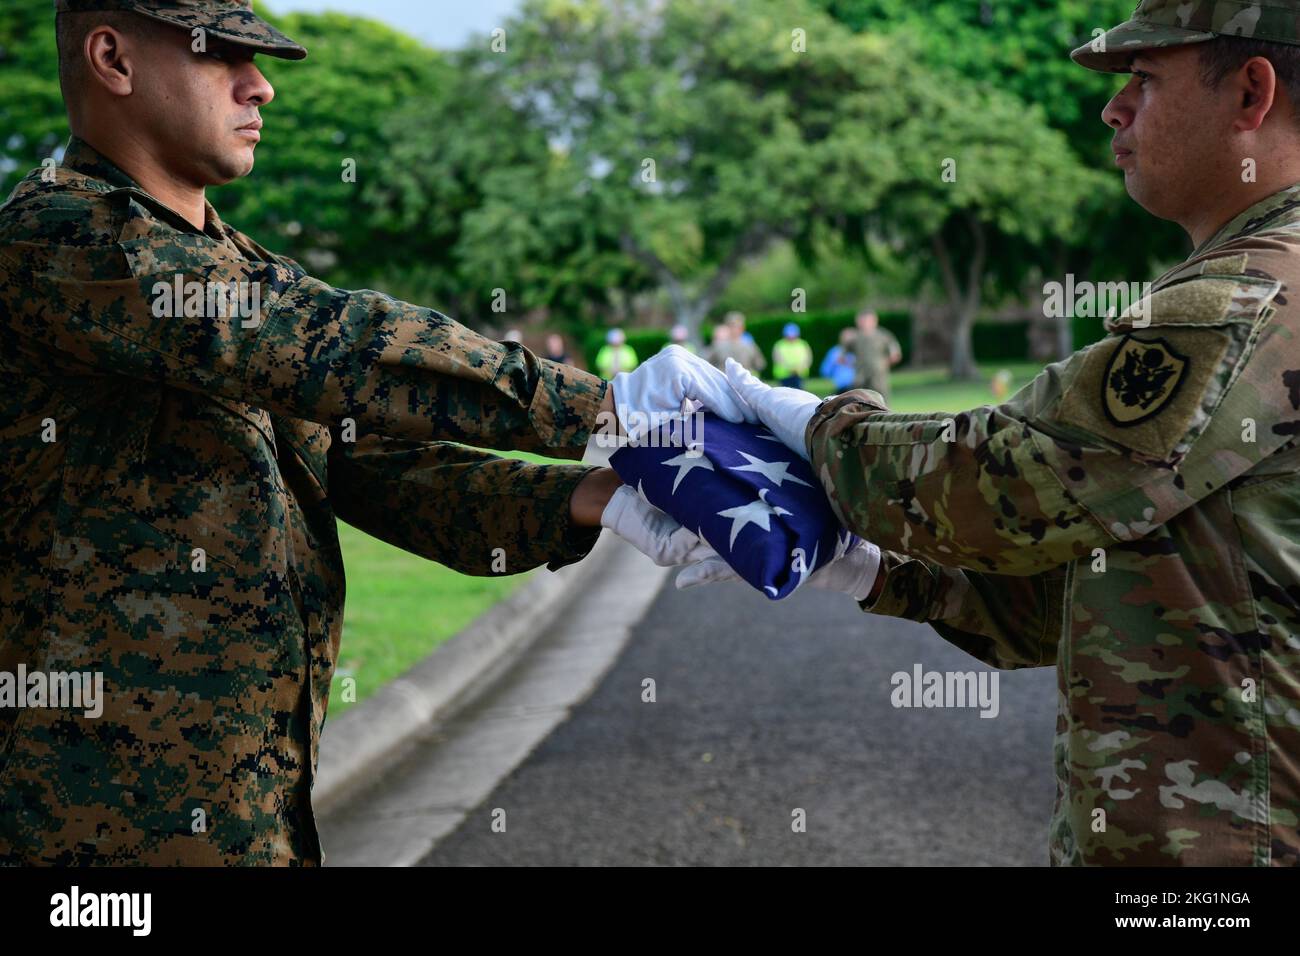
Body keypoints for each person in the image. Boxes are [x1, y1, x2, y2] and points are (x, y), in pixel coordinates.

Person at [0, 0, 752, 865]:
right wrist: (607, 410)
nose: (263, 86)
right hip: (92, 842)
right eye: (224, 57)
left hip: (255, 820)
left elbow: (371, 465)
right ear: (113, 59)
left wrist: (597, 496)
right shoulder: (57, 239)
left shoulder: (238, 268)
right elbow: (343, 349)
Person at [679, 1, 1300, 866]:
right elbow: (1101, 591)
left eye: (1145, 79)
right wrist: (861, 568)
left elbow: (1000, 488)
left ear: (1251, 92)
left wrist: (810, 417)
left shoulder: (1245, 301)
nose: (1113, 109)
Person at [850, 309, 902, 403]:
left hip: (878, 377)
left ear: (874, 321)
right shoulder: (854, 337)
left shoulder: (884, 335)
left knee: (882, 402)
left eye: (867, 320)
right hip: (860, 376)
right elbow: (841, 356)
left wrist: (883, 364)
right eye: (861, 321)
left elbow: (895, 354)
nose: (864, 323)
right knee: (860, 402)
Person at [771, 322, 813, 389]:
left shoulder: (803, 344)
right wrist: (790, 369)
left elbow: (808, 359)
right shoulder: (779, 344)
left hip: (800, 374)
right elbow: (777, 359)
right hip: (784, 375)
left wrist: (800, 368)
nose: (791, 337)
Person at [819, 328, 857, 392]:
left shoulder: (859, 352)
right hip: (842, 385)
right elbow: (826, 369)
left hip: (858, 384)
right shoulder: (835, 351)